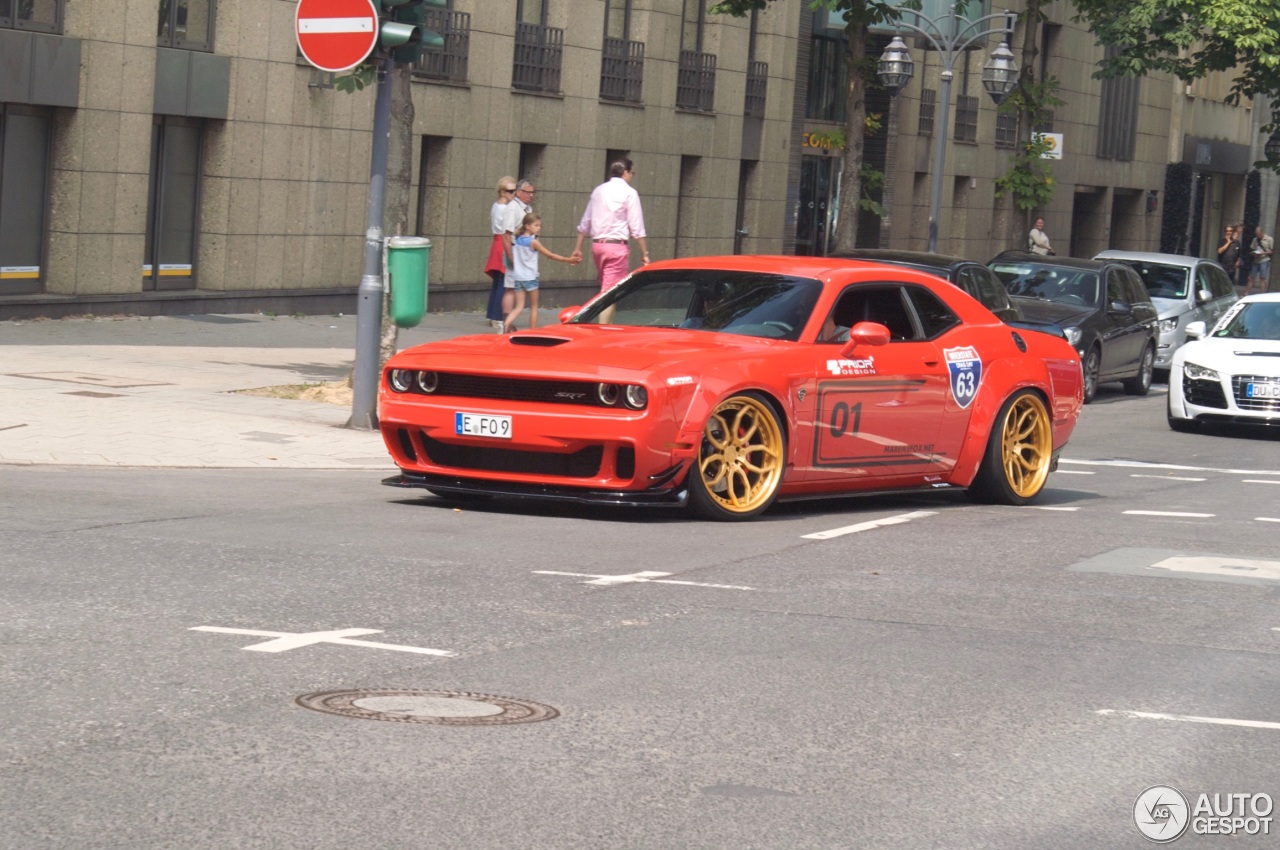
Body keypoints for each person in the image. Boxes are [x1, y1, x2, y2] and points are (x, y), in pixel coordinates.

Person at [571, 158, 650, 297]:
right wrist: (644, 253)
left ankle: (605, 318)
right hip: (616, 248)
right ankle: (603, 319)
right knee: (609, 294)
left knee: (606, 286)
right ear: (625, 173)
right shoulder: (629, 192)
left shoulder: (598, 191)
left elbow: (585, 222)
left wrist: (578, 248)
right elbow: (636, 227)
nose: (632, 176)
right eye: (632, 173)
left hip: (597, 246)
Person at [502, 212, 579, 333]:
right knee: (534, 306)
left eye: (539, 225)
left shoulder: (518, 240)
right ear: (527, 226)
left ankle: (504, 326)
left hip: (518, 277)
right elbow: (550, 255)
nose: (539, 228)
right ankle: (532, 331)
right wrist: (568, 259)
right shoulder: (533, 242)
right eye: (536, 225)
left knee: (519, 306)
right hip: (530, 277)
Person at [498, 178, 536, 331]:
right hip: (514, 250)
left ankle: (509, 321)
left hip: (526, 252)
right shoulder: (512, 208)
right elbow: (506, 235)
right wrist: (511, 257)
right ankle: (506, 322)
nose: (531, 195)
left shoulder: (527, 209)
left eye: (532, 193)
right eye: (528, 192)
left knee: (517, 287)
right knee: (511, 287)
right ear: (519, 192)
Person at [484, 177, 517, 329]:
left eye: (515, 190)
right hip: (504, 243)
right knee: (504, 283)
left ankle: (492, 315)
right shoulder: (507, 209)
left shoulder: (495, 206)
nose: (514, 193)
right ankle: (498, 317)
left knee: (498, 281)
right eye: (511, 191)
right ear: (503, 192)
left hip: (497, 242)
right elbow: (508, 230)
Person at [1247, 226, 1273, 296]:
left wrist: (1263, 253)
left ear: (1262, 233)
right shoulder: (1255, 240)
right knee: (1251, 277)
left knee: (1262, 277)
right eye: (1256, 235)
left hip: (1264, 259)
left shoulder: (1269, 239)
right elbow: (1252, 248)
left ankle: (1262, 293)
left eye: (1259, 234)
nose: (1258, 236)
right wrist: (1254, 253)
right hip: (1256, 260)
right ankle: (1247, 293)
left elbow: (1272, 251)